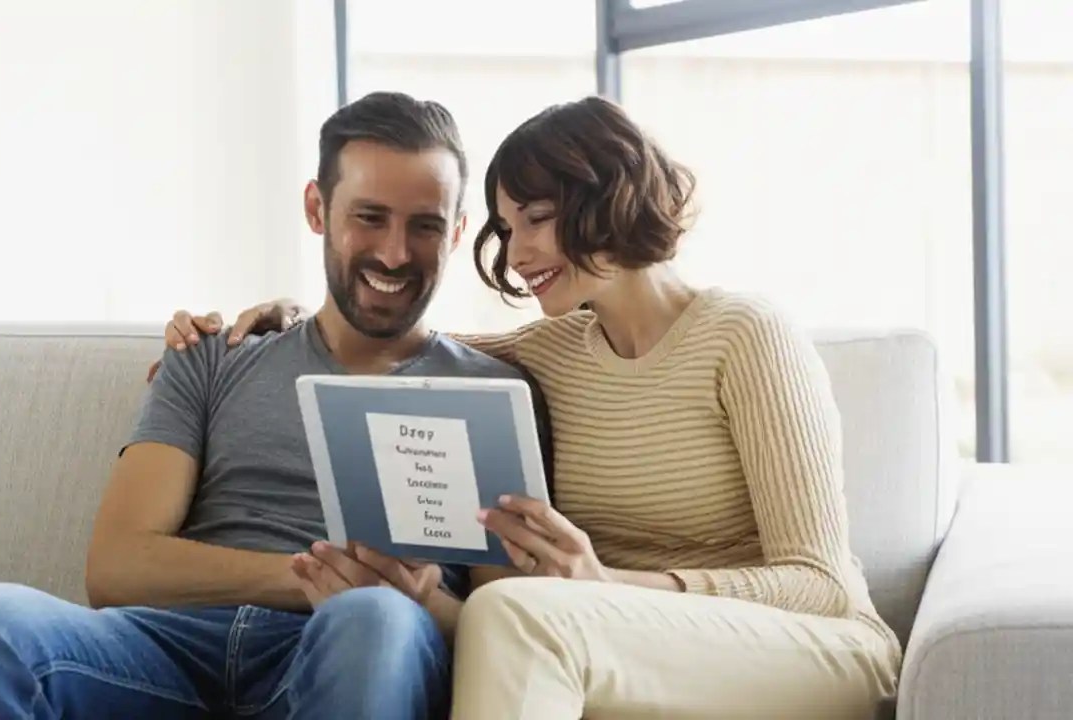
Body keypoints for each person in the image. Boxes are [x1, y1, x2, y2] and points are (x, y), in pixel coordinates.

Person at [161, 95, 902, 719]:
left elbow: (822, 583)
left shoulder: (744, 335)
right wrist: (283, 319)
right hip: (613, 637)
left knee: (518, 612)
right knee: (501, 608)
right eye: (507, 228)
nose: (516, 254)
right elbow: (388, 329)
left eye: (537, 219)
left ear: (609, 197)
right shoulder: (548, 352)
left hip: (811, 648)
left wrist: (611, 586)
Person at [0, 91, 549, 720]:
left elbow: (500, 627)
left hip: (353, 650)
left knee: (373, 618)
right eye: (369, 217)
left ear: (459, 231)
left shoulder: (493, 398)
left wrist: (413, 597)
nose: (394, 253)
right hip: (166, 649)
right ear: (317, 208)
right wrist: (312, 577)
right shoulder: (213, 356)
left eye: (426, 226)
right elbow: (117, 566)